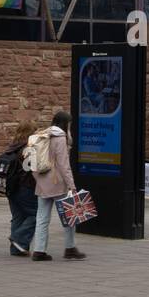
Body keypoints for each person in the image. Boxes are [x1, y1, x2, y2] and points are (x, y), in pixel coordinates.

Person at [30, 110, 87, 262]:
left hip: (42, 183)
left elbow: (32, 162)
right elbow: (63, 164)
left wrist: (38, 179)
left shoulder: (43, 135)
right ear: (65, 124)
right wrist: (72, 185)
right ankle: (70, 248)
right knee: (69, 216)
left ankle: (39, 250)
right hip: (58, 183)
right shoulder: (60, 138)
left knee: (42, 218)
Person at [4, 120, 39, 256]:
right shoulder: (29, 148)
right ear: (30, 133)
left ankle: (16, 249)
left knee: (18, 217)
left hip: (11, 188)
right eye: (35, 131)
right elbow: (30, 169)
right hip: (26, 187)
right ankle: (19, 239)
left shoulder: (12, 147)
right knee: (35, 215)